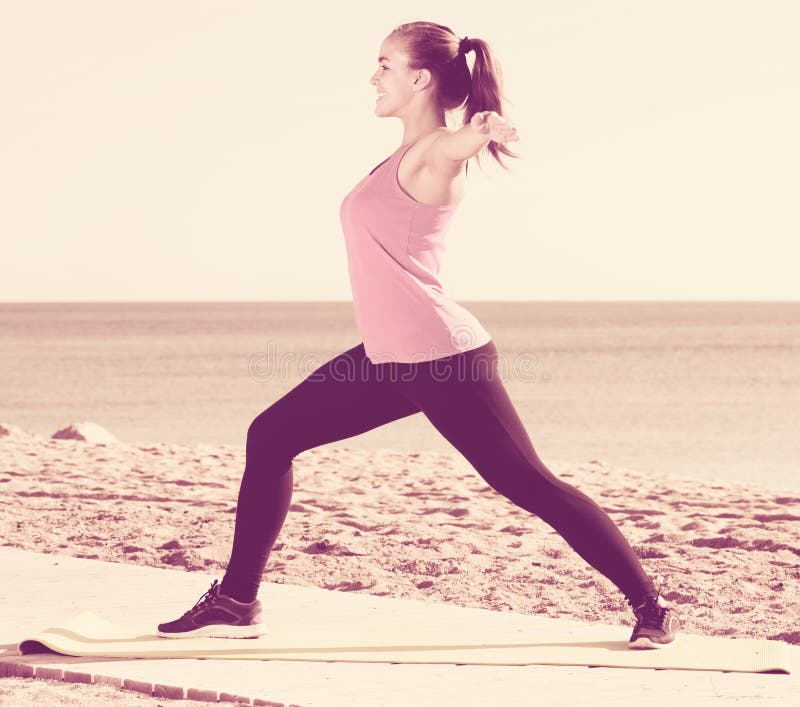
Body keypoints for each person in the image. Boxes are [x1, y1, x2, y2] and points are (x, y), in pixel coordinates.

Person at [157, 21, 680, 649]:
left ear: (420, 78)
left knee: (527, 484)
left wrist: (482, 131)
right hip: (388, 359)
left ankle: (651, 606)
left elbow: (453, 148)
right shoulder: (399, 157)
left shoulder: (434, 153)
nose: (373, 77)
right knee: (270, 436)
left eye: (385, 65)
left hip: (443, 359)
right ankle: (237, 601)